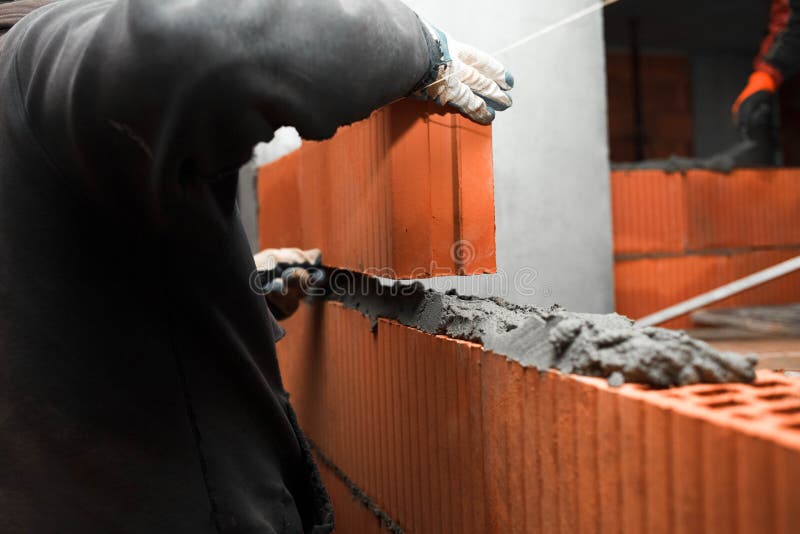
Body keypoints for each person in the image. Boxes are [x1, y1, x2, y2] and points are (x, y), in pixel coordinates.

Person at [0, 0, 513, 532]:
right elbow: (205, 38)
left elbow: (53, 305)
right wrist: (420, 47)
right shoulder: (39, 54)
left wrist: (236, 291)